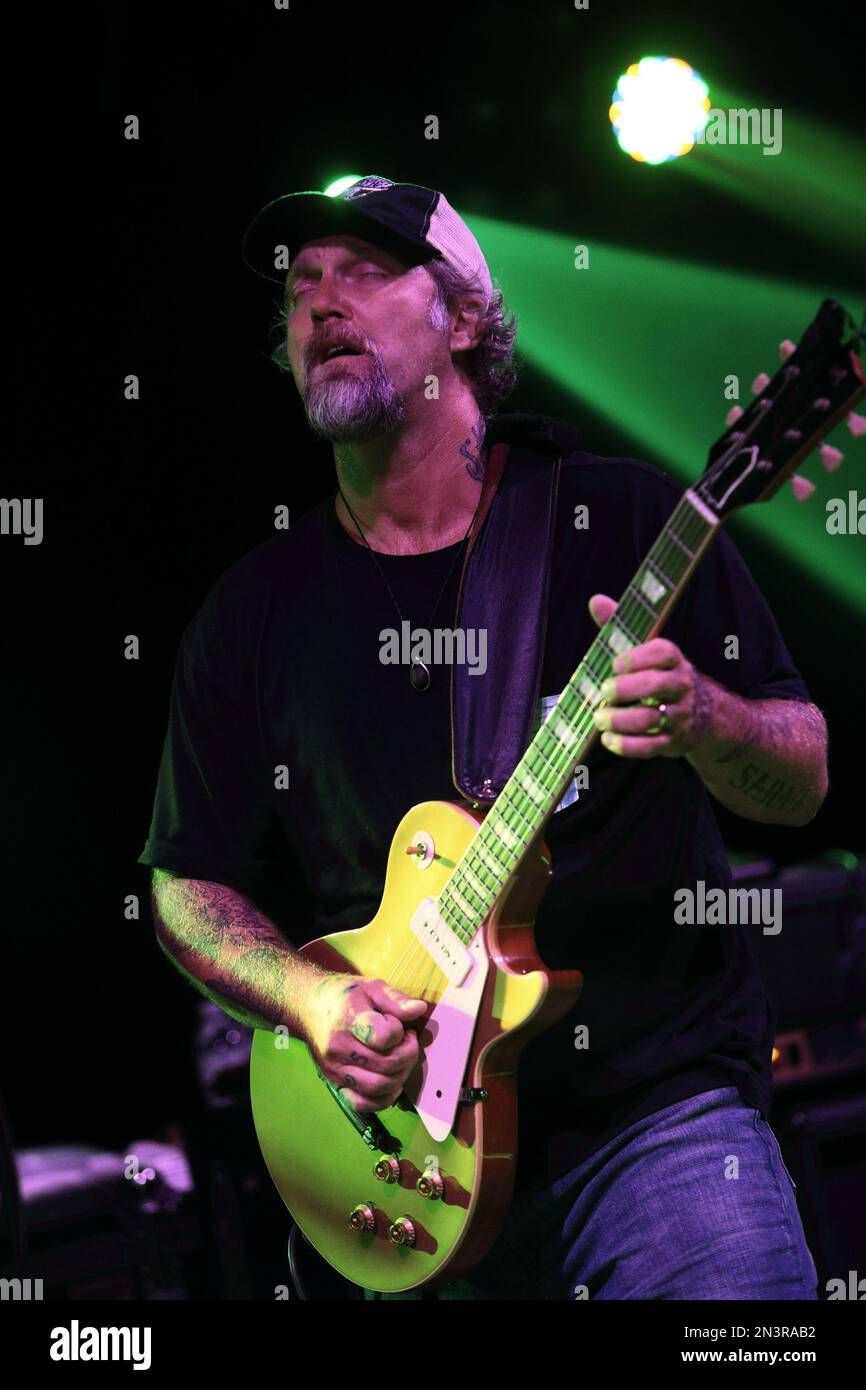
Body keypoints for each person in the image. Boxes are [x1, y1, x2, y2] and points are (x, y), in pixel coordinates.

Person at [139, 175, 827, 1300]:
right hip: (394, 1160)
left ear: (461, 319)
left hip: (648, 1119)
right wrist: (313, 1001)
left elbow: (799, 775)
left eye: (360, 273)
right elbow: (183, 884)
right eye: (300, 285)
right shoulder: (251, 612)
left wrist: (706, 717)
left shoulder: (626, 520)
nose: (318, 303)